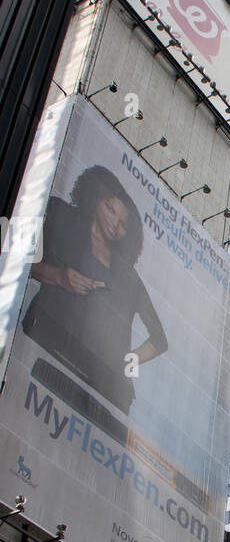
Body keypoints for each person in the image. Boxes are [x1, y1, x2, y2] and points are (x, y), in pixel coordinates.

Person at [23, 166, 167, 413]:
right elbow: (17, 256)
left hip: (107, 389)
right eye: (110, 209)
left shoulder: (128, 277)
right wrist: (58, 276)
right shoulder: (61, 215)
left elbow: (159, 339)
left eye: (123, 224)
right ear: (94, 197)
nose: (114, 223)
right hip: (48, 349)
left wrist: (126, 362)